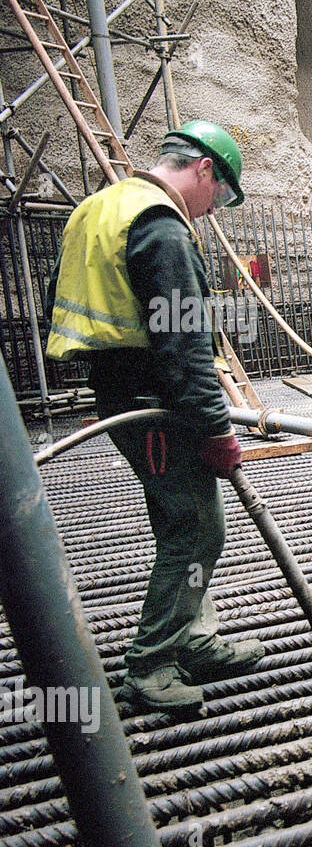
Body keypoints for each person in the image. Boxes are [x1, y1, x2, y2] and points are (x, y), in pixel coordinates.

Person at [46, 120, 263, 714]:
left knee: (185, 522)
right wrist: (217, 429)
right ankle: (152, 662)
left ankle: (193, 638)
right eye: (216, 197)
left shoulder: (97, 210)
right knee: (195, 531)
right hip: (157, 402)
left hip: (119, 395)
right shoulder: (163, 229)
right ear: (204, 170)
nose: (210, 210)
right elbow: (184, 346)